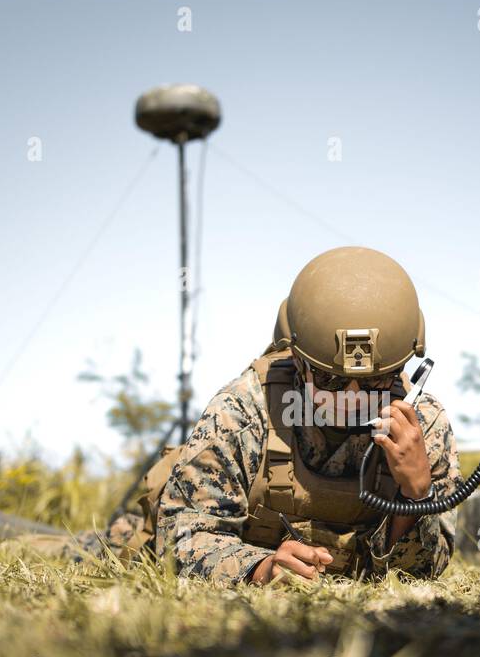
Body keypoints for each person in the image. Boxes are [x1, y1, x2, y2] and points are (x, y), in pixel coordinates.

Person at [152, 246, 460, 585]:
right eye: (332, 379)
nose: (351, 397)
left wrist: (417, 494)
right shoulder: (246, 409)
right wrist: (259, 569)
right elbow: (182, 536)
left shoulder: (423, 424)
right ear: (299, 362)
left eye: (374, 381)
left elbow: (422, 572)